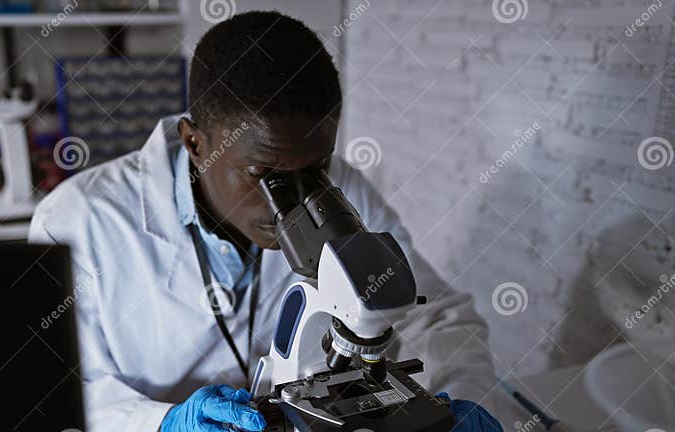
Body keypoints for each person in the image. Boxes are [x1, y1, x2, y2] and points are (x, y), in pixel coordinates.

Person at [29, 11, 503, 432]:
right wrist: (162, 424)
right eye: (265, 176)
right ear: (196, 144)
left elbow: (438, 317)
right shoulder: (78, 221)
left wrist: (459, 397)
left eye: (316, 169)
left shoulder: (341, 188)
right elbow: (55, 396)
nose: (297, 201)